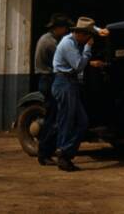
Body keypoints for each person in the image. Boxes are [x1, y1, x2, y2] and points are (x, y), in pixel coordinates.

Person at [51, 16, 108, 172]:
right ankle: (63, 153)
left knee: (81, 121)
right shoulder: (68, 44)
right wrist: (88, 49)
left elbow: (88, 26)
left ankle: (65, 151)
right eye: (88, 36)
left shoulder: (74, 38)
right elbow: (78, 66)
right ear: (82, 34)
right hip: (65, 83)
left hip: (69, 83)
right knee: (68, 121)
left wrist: (99, 30)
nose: (89, 39)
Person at [33, 13, 73, 166]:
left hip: (46, 79)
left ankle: (46, 152)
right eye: (65, 28)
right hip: (49, 79)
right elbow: (63, 61)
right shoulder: (51, 43)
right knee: (53, 119)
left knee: (52, 117)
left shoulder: (46, 39)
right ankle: (44, 153)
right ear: (59, 28)